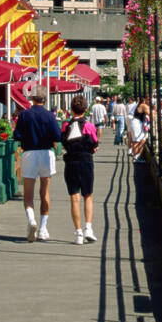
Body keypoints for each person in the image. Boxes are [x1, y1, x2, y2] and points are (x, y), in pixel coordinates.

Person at [12, 87, 62, 242]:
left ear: (31, 98)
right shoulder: (50, 115)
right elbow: (57, 135)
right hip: (46, 154)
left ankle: (31, 219)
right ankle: (43, 228)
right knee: (45, 192)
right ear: (45, 99)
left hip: (29, 153)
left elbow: (17, 135)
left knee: (28, 193)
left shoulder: (25, 115)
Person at [61, 98, 99, 244]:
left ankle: (78, 233)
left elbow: (63, 142)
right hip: (86, 161)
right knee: (87, 195)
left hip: (70, 162)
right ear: (85, 110)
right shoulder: (89, 126)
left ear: (71, 110)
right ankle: (88, 228)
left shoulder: (66, 125)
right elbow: (94, 143)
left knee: (74, 197)